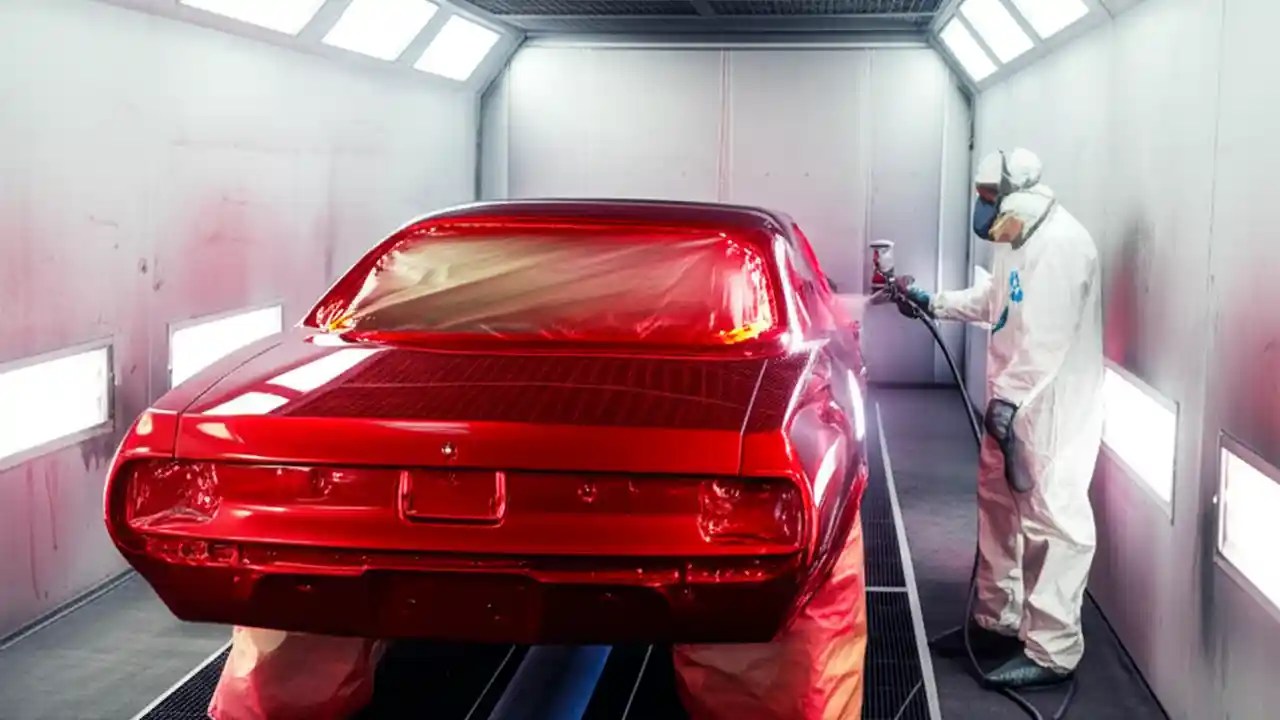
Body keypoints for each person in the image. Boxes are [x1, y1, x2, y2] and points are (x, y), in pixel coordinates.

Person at [898, 148, 1105, 689]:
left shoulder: (1061, 245)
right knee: (998, 511)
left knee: (1053, 524)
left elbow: (1048, 339)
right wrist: (933, 300)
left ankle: (1052, 651)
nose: (982, 211)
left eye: (988, 200)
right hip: (1010, 407)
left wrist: (1009, 400)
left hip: (1050, 410)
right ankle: (997, 622)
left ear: (1017, 194)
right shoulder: (1017, 238)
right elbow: (997, 298)